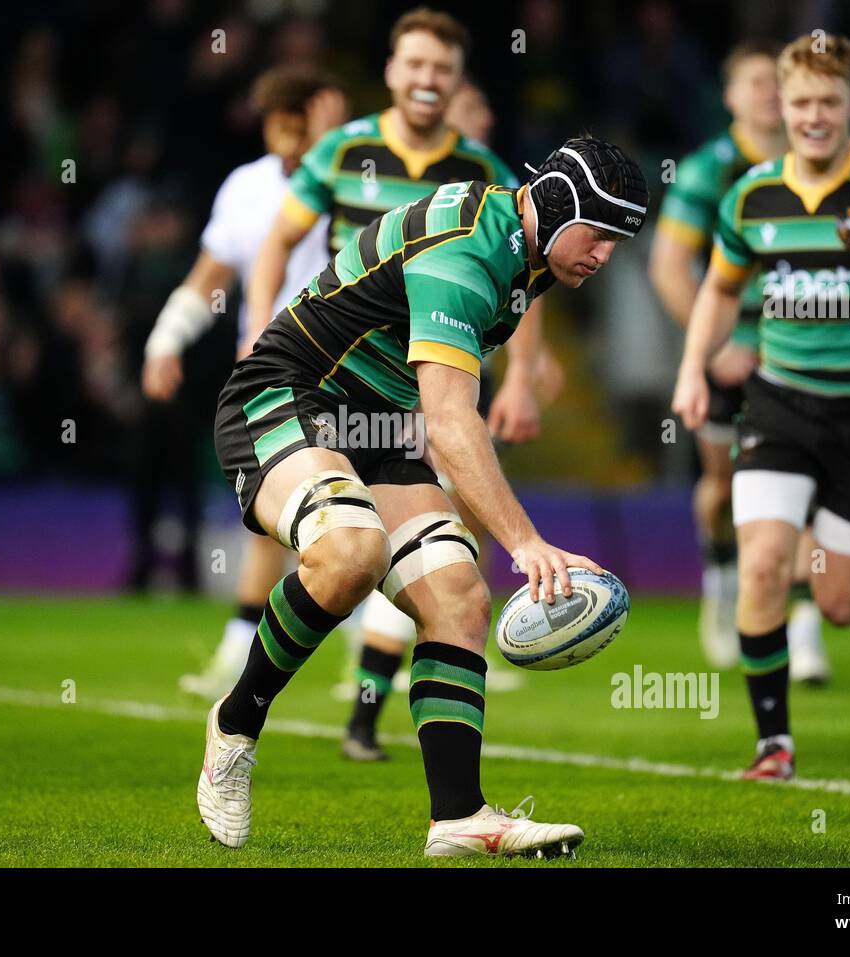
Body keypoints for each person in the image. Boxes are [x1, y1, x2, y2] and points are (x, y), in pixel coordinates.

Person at [201, 135, 650, 856]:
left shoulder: (521, 248)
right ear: (559, 205)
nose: (604, 257)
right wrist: (526, 542)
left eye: (617, 243)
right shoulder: (469, 252)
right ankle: (236, 721)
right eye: (598, 235)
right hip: (287, 396)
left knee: (459, 596)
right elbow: (447, 425)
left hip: (378, 427)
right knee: (349, 551)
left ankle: (459, 816)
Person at [239, 7, 550, 762]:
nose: (426, 80)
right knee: (355, 549)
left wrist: (523, 379)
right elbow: (278, 239)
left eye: (441, 68)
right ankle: (266, 708)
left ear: (456, 79)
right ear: (390, 69)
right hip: (329, 373)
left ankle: (381, 728)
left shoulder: (482, 169)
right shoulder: (344, 149)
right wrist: (258, 326)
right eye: (414, 64)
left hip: (422, 388)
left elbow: (524, 274)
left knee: (445, 562)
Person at [672, 33, 850, 780]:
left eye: (827, 102)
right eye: (799, 101)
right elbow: (717, 286)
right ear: (784, 102)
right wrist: (694, 367)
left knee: (839, 603)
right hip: (777, 408)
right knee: (765, 562)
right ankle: (774, 744)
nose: (811, 116)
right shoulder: (750, 193)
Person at [141, 65, 348, 698]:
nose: (293, 139)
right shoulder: (246, 187)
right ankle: (252, 654)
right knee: (281, 509)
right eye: (284, 122)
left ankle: (372, 661)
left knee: (357, 505)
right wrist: (165, 339)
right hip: (274, 369)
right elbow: (212, 274)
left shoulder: (355, 177)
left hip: (356, 364)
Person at [650, 41, 828, 683]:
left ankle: (804, 632)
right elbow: (668, 264)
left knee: (803, 491)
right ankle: (722, 583)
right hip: (729, 349)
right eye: (754, 82)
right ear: (729, 97)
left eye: (775, 82)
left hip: (796, 352)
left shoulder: (814, 164)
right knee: (722, 488)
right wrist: (714, 345)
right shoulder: (708, 169)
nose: (768, 94)